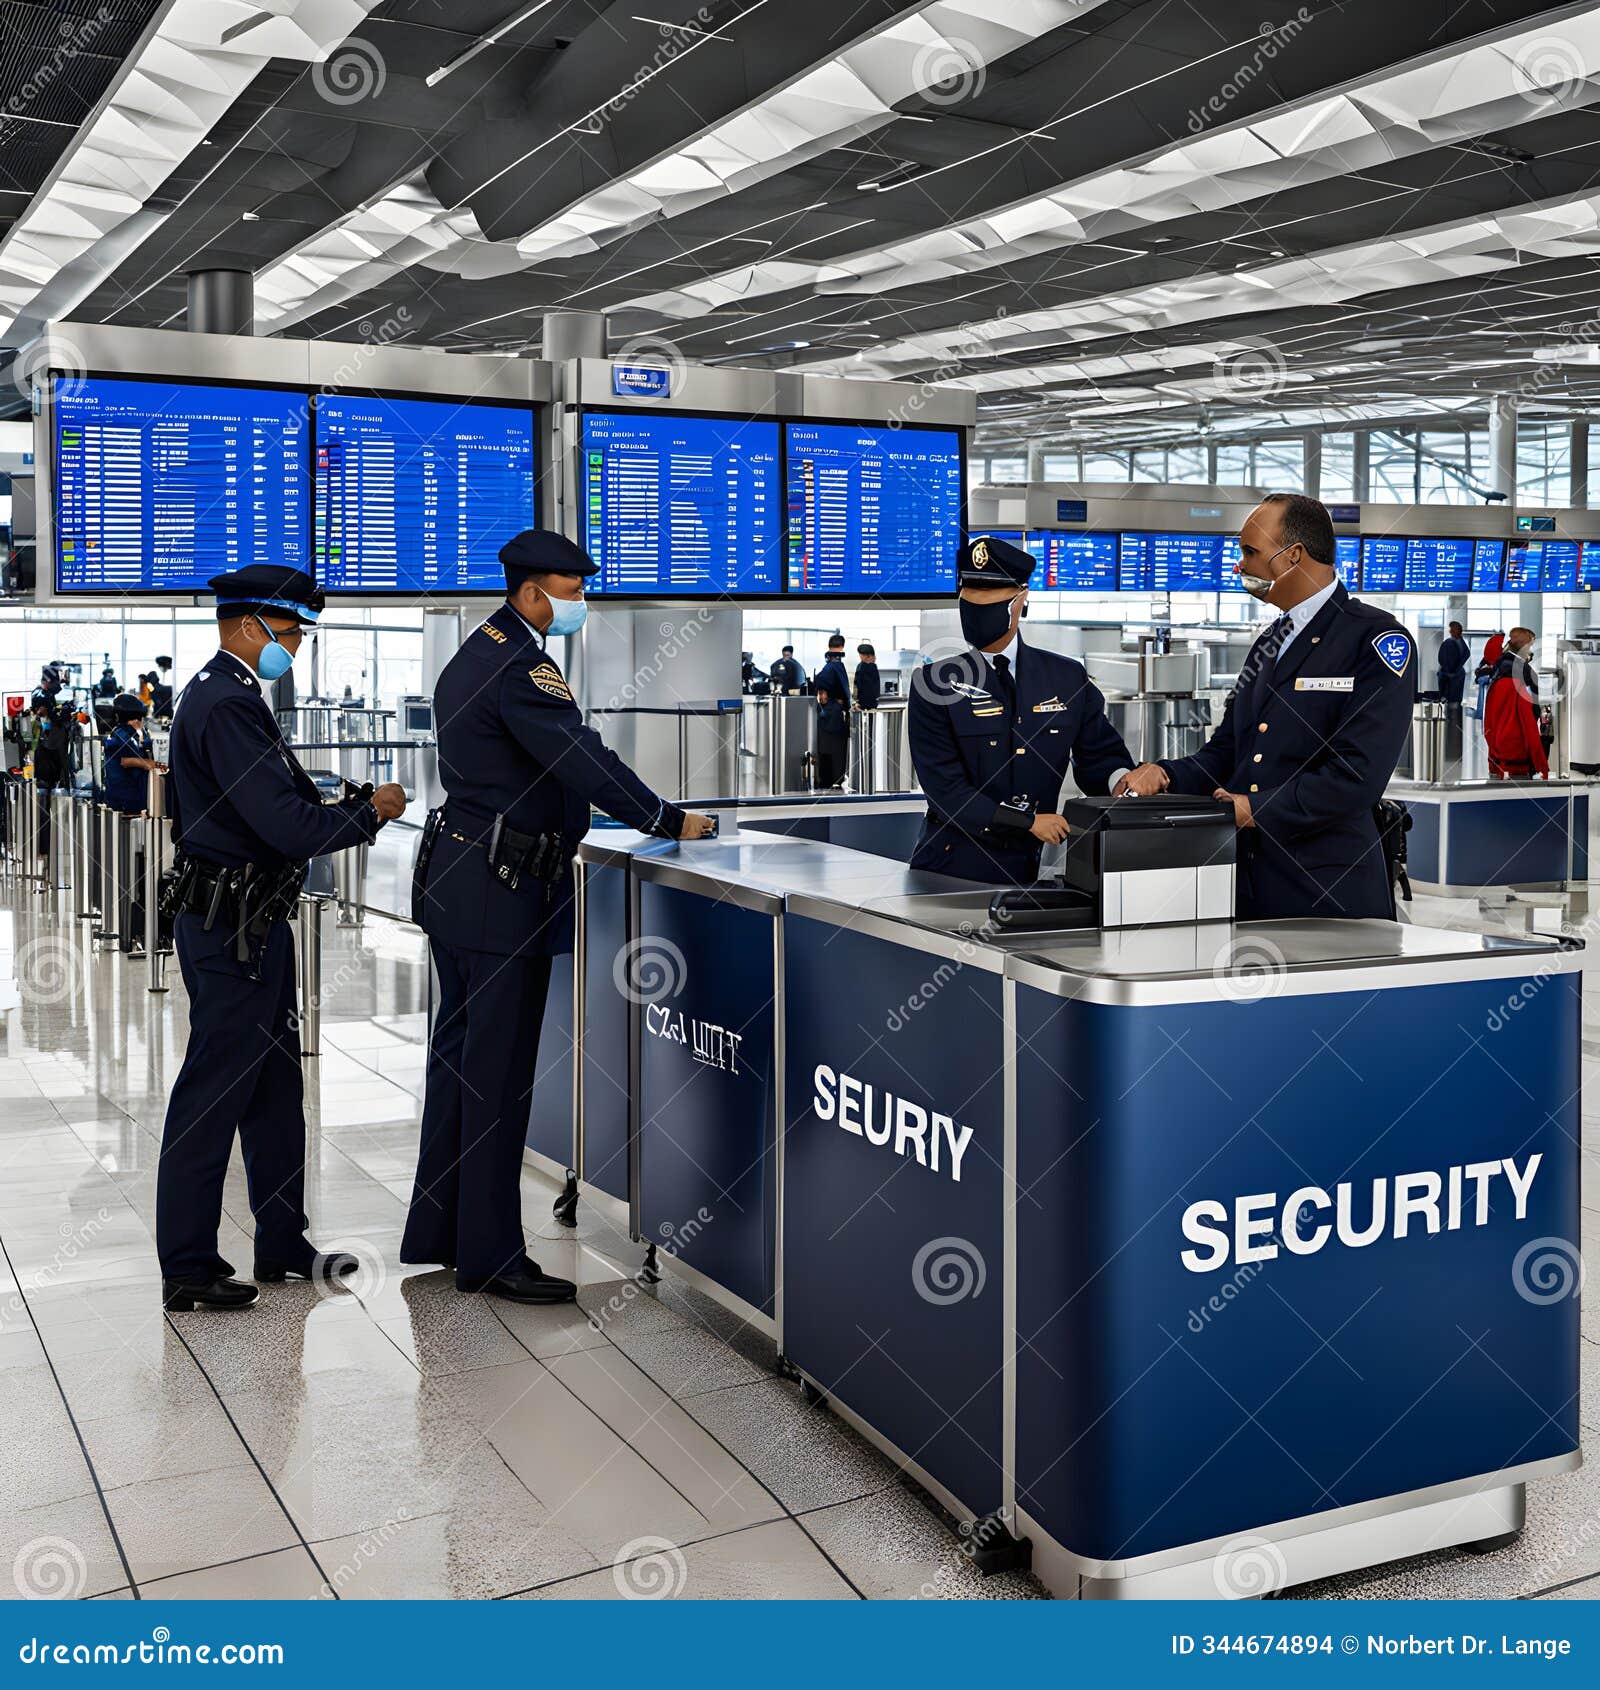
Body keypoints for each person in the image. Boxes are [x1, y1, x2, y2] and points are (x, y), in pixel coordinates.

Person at [404, 530, 716, 1305]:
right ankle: (490, 1256)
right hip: (501, 890)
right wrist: (665, 818)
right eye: (573, 590)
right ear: (535, 592)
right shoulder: (522, 666)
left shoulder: (477, 648)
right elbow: (580, 758)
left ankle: (441, 1230)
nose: (582, 602)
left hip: (462, 878)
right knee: (497, 1076)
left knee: (458, 1061)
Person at [155, 566, 407, 1313]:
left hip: (250, 924)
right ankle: (190, 1265)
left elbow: (279, 802)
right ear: (248, 626)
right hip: (230, 929)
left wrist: (336, 805)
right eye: (289, 632)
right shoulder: (227, 704)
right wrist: (373, 814)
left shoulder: (228, 694)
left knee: (273, 1090)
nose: (294, 647)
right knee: (213, 1094)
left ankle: (282, 1241)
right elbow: (287, 826)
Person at [1116, 493, 1414, 921]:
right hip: (1251, 882)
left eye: (1251, 552)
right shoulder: (1271, 642)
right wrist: (1166, 773)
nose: (1241, 565)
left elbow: (1357, 775)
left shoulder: (1374, 640)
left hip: (1327, 891)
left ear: (1293, 556)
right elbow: (1228, 751)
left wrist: (1257, 809)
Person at [908, 534, 1132, 884]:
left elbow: (1098, 755)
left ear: (1020, 600)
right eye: (970, 598)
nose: (977, 610)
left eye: (989, 599)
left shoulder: (1065, 677)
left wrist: (1121, 781)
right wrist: (1027, 822)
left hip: (1025, 867)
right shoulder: (936, 683)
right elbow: (945, 790)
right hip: (951, 868)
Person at [102, 693, 161, 954]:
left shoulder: (128, 733)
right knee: (132, 863)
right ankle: (131, 924)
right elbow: (126, 760)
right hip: (126, 804)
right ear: (135, 718)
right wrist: (150, 765)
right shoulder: (121, 735)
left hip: (132, 802)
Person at [1484, 626, 1548, 779]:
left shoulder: (1500, 668)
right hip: (1516, 746)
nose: (1531, 650)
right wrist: (1541, 764)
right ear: (1524, 646)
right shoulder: (1520, 674)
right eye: (1530, 645)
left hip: (1499, 745)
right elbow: (1528, 717)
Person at [815, 634, 852, 788]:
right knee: (836, 749)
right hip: (833, 716)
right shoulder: (835, 667)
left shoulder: (828, 666)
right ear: (842, 647)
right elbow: (823, 692)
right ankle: (834, 779)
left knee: (827, 748)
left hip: (829, 716)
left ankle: (830, 779)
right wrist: (840, 703)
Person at [1437, 621, 1470, 707]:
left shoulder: (1449, 643)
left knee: (1452, 701)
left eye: (1452, 629)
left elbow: (1442, 659)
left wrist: (1449, 671)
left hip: (1451, 676)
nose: (1450, 631)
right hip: (1454, 675)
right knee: (1454, 702)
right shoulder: (1457, 642)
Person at [854, 643, 881, 710]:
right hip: (867, 702)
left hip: (865, 702)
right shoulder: (871, 667)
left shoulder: (862, 667)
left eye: (861, 654)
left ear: (867, 655)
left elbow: (857, 684)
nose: (860, 656)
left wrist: (856, 701)